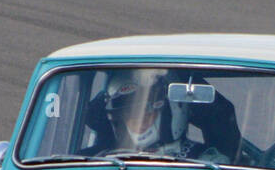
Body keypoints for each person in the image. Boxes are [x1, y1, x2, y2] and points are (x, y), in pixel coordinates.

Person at [82, 69, 241, 162]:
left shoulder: (208, 162)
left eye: (147, 109)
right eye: (128, 112)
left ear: (172, 109)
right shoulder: (102, 160)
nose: (138, 119)